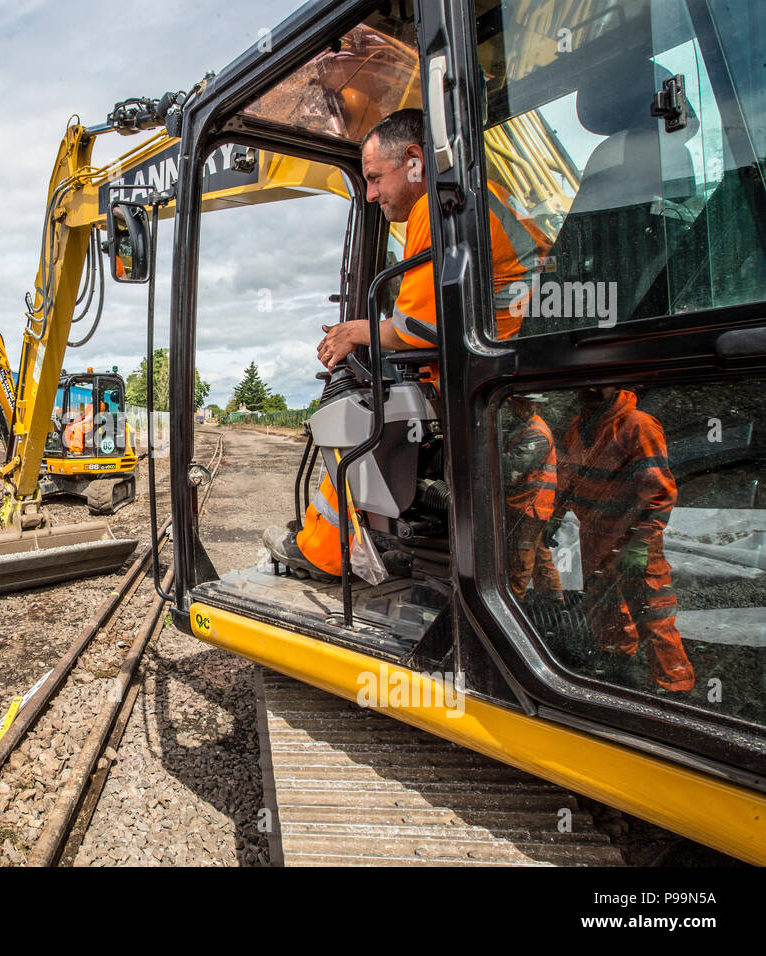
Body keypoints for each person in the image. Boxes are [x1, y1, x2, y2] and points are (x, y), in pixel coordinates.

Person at [266, 107, 549, 579]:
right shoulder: (478, 203)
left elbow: (421, 330)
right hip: (514, 405)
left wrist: (353, 331)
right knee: (526, 568)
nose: (372, 194)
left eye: (376, 178)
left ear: (415, 160)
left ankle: (326, 551)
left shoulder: (434, 207)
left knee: (356, 421)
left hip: (500, 411)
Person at [548, 387, 694, 693]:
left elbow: (658, 491)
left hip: (631, 535)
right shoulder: (579, 427)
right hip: (593, 532)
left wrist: (640, 542)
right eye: (582, 381)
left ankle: (675, 687)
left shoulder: (637, 425)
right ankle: (616, 660)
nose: (589, 388)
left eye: (598, 381)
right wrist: (555, 515)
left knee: (652, 609)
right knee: (602, 604)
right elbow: (567, 477)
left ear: (616, 382)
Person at [502, 394, 562, 602]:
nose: (518, 407)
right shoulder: (524, 428)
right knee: (540, 557)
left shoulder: (536, 433)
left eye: (524, 402)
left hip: (530, 505)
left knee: (521, 558)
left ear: (535, 404)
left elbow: (512, 468)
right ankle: (554, 602)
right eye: (517, 402)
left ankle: (515, 602)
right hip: (528, 504)